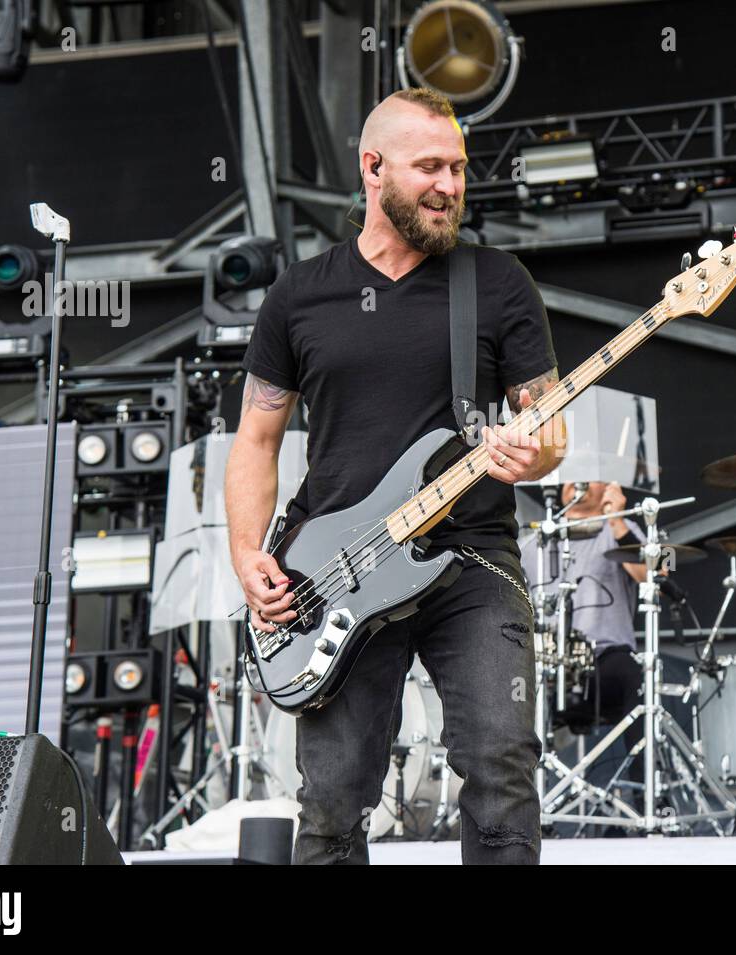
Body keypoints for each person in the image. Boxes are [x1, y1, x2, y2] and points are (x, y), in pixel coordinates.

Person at [225, 87, 566, 864]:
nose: (450, 185)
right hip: (334, 569)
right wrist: (248, 554)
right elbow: (257, 438)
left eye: (459, 168)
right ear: (372, 168)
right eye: (430, 167)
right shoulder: (300, 294)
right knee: (335, 799)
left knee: (502, 765)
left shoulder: (497, 281)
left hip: (471, 555)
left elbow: (547, 424)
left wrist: (535, 452)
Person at [520, 481, 649, 799]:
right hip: (543, 663)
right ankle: (514, 805)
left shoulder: (623, 527)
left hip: (603, 660)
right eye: (572, 476)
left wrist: (617, 519)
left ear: (608, 487)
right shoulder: (531, 542)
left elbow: (662, 569)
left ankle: (648, 795)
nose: (577, 484)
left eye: (589, 476)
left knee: (637, 679)